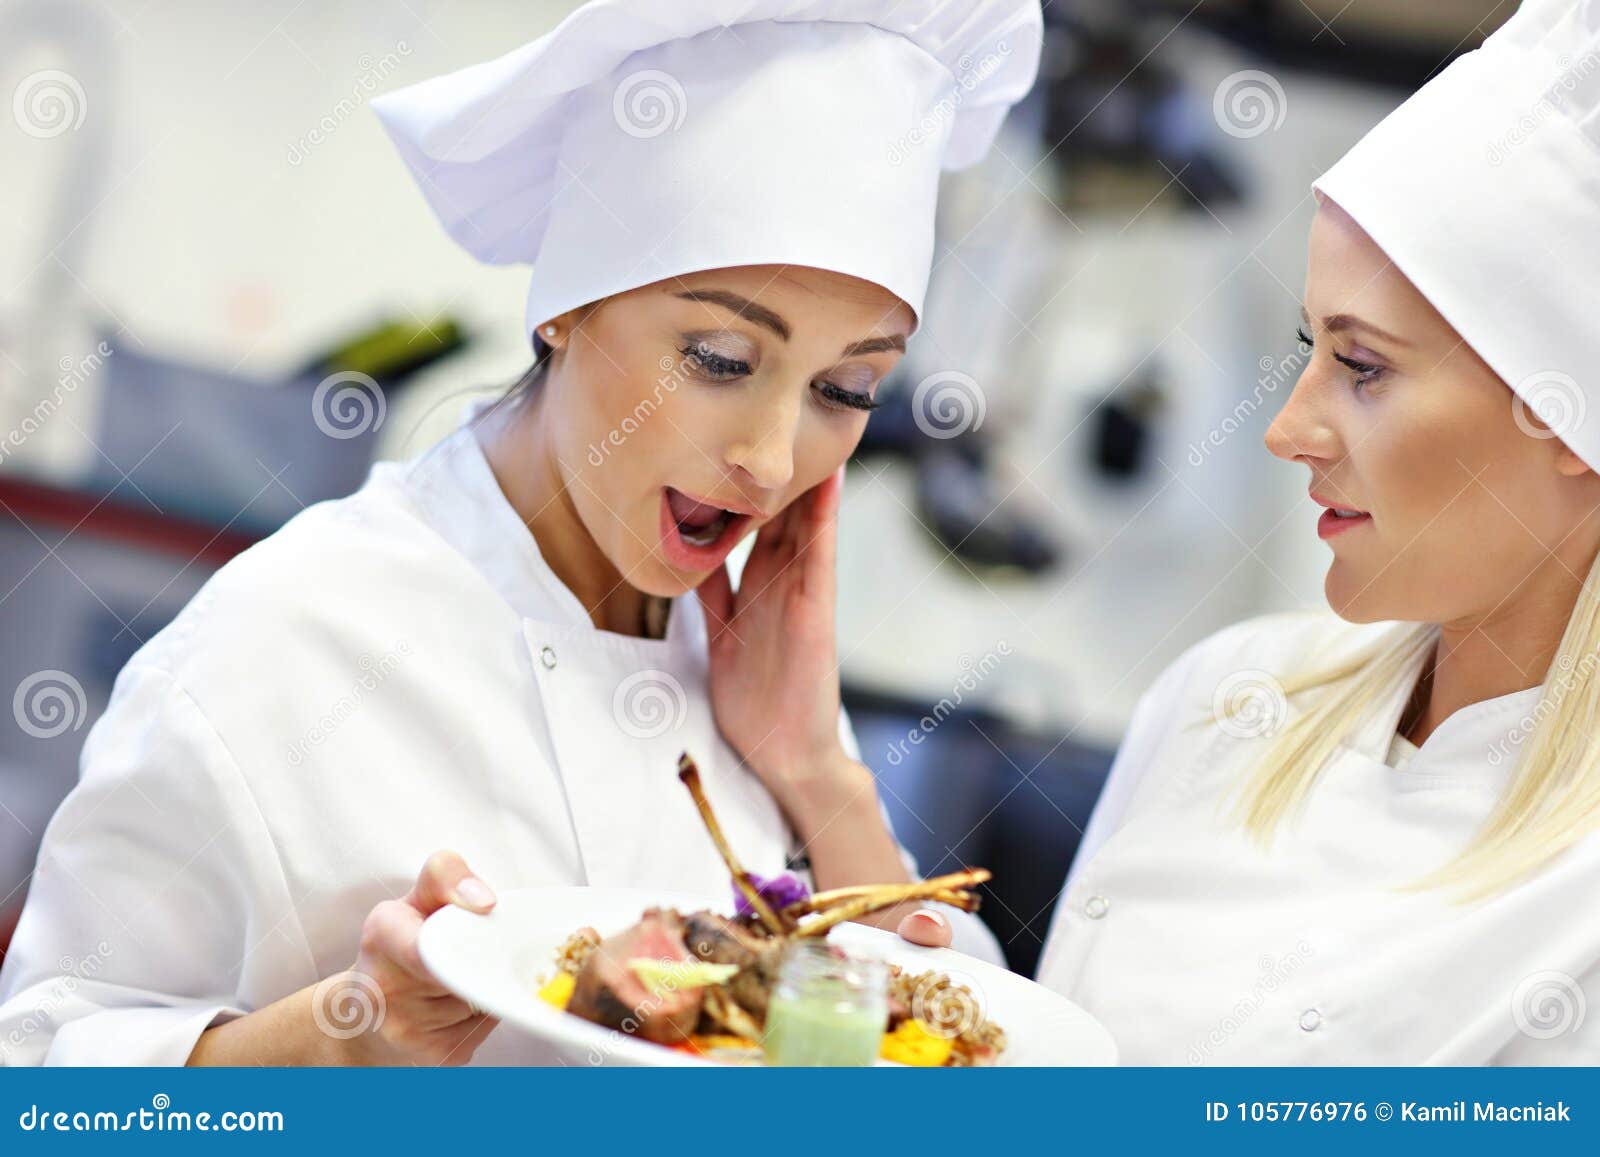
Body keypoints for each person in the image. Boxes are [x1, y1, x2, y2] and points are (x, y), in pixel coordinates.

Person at [0, 0, 1042, 1066]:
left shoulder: (761, 682)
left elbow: (973, 1073)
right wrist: (341, 1037)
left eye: (847, 387)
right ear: (566, 305)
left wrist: (817, 770)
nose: (773, 460)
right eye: (721, 359)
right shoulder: (289, 635)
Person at [1029, 0, 1600, 1063]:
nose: (1286, 431)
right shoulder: (1227, 693)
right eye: (1310, 348)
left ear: (1564, 416)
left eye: (1363, 366)